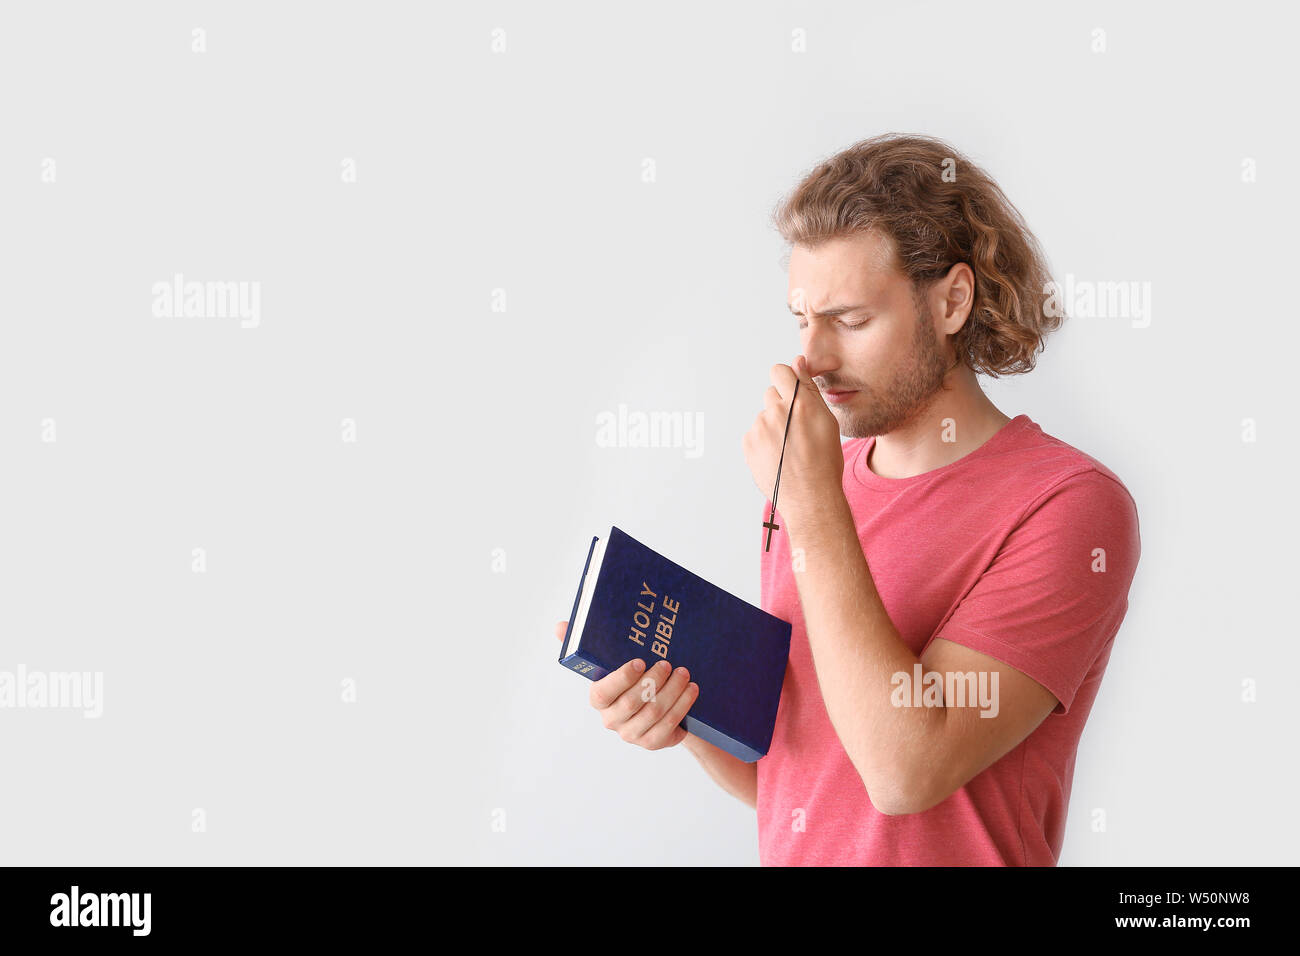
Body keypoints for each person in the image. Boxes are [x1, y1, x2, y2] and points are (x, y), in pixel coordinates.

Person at [555, 133, 1141, 866]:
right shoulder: (808, 485)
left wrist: (813, 502)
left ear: (952, 301)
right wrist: (683, 720)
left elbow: (904, 772)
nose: (813, 358)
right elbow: (808, 784)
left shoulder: (1069, 506)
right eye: (803, 319)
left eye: (851, 320)